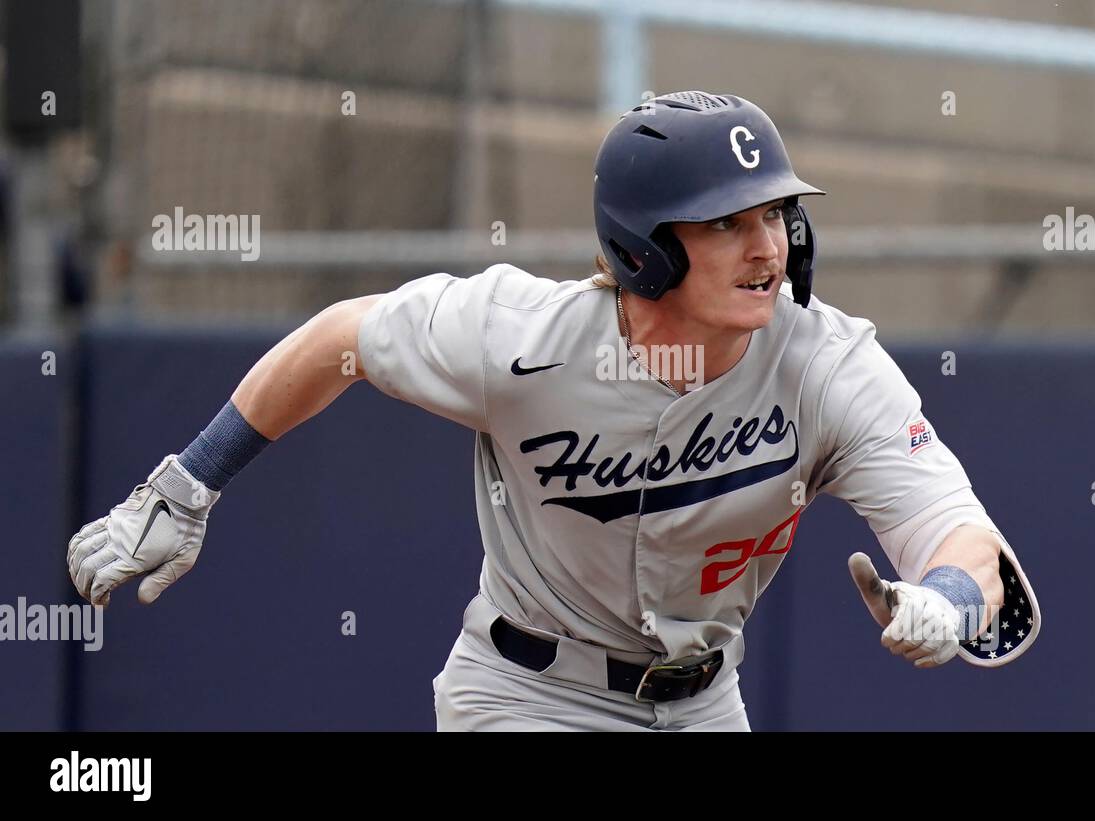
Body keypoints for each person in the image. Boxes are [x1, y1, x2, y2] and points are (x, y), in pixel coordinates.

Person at [67, 91, 1040, 731]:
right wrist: (190, 481)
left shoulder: (826, 364)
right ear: (647, 246)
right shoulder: (518, 336)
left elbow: (960, 536)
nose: (767, 244)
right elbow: (342, 336)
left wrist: (946, 601)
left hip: (703, 702)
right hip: (524, 691)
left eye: (776, 212)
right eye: (725, 220)